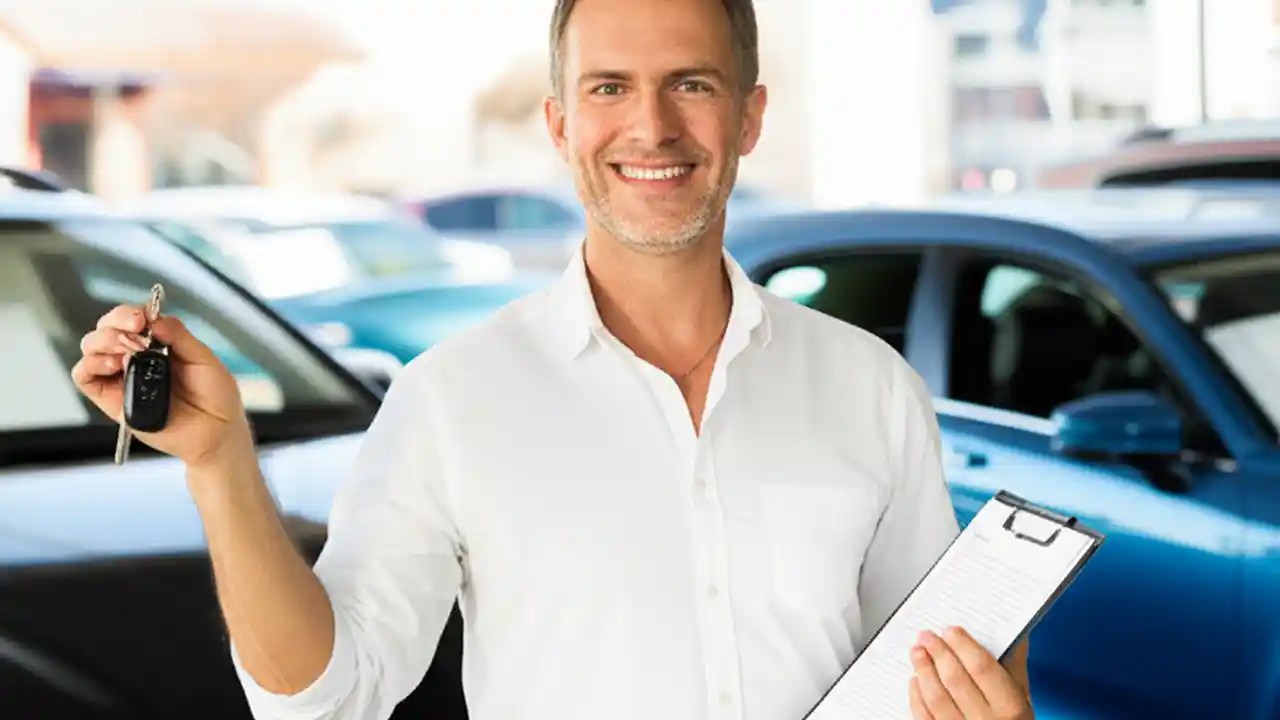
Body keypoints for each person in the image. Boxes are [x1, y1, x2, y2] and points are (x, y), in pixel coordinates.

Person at [72, 0, 1035, 718]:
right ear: (560, 123)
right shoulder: (452, 399)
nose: (651, 128)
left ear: (749, 116)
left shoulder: (872, 388)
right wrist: (220, 466)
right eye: (609, 88)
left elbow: (924, 679)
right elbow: (323, 697)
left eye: (691, 84)